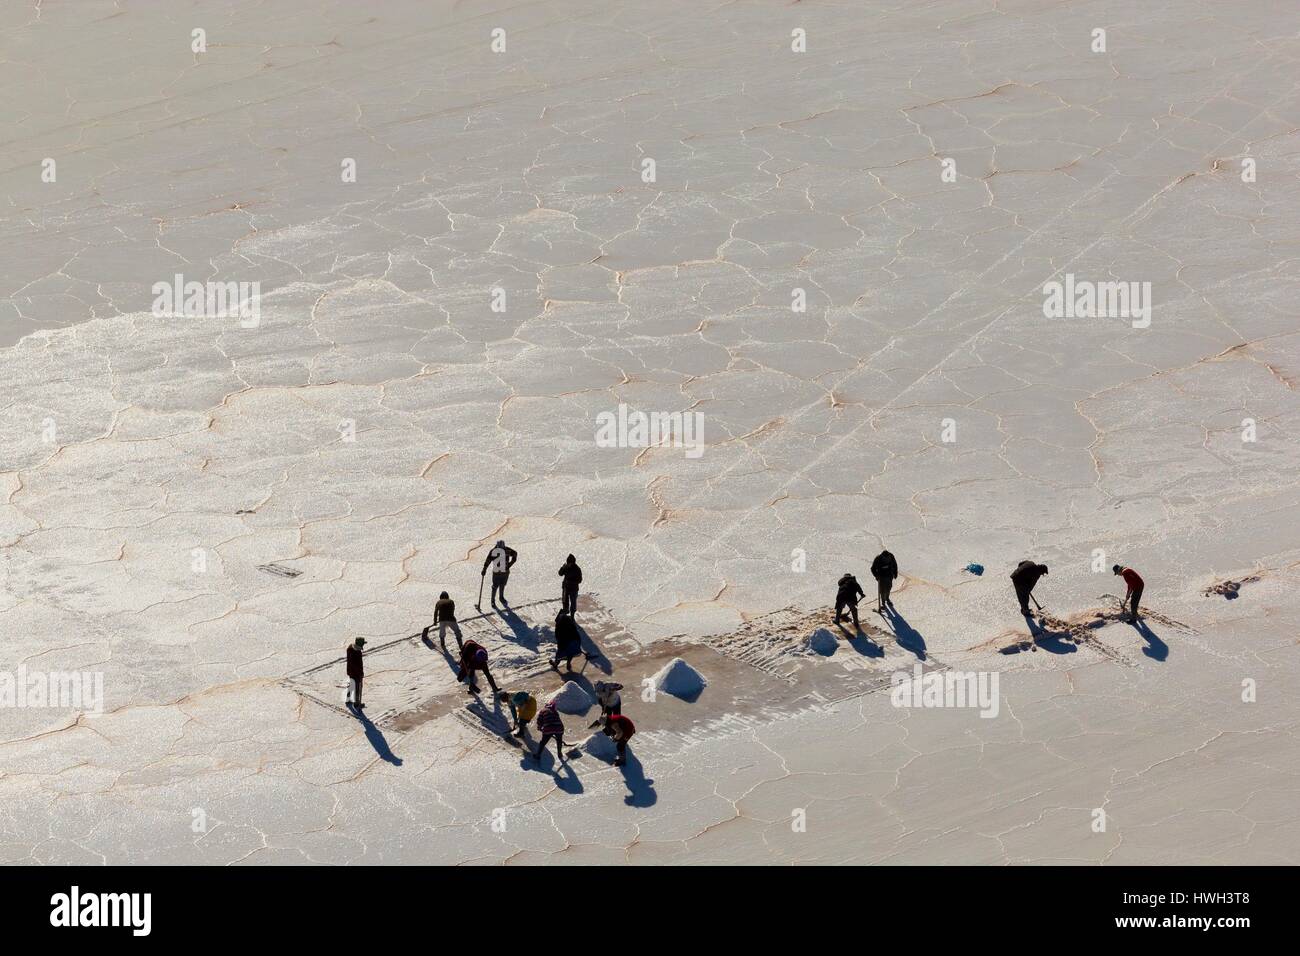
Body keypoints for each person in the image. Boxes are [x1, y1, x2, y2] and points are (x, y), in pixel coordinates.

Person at [481, 540, 518, 607]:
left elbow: (515, 554)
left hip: (505, 572)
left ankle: (501, 597)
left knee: (502, 585)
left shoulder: (507, 550)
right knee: (495, 586)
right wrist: (484, 569)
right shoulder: (493, 551)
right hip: (496, 573)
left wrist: (510, 564)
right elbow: (488, 560)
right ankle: (492, 601)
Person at [345, 637, 366, 709]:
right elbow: (357, 665)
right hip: (356, 673)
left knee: (351, 685)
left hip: (350, 671)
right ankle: (357, 704)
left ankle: (348, 699)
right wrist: (360, 674)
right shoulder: (357, 652)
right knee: (357, 688)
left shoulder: (350, 649)